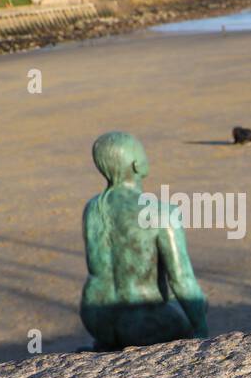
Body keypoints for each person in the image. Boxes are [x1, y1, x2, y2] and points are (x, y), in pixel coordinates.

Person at [80, 132, 208, 349]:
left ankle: (108, 345)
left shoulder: (93, 207)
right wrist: (203, 330)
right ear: (138, 165)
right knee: (197, 307)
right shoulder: (161, 212)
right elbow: (182, 280)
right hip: (145, 324)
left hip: (97, 317)